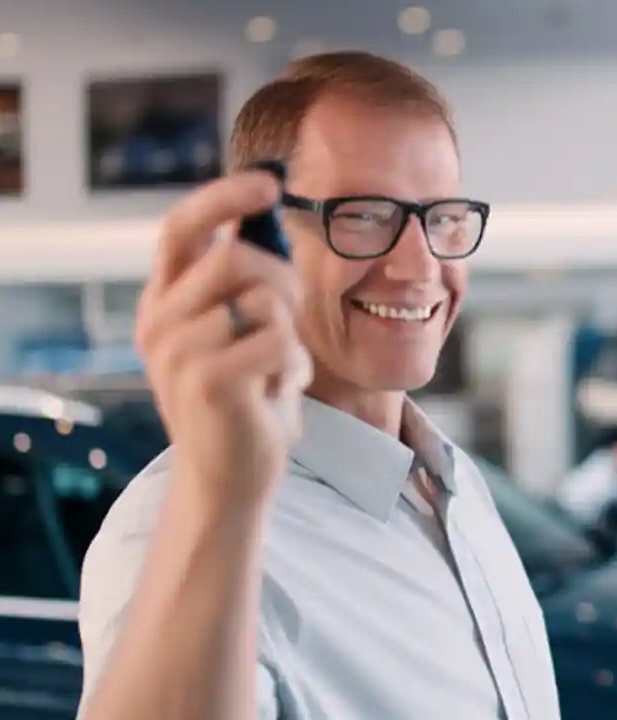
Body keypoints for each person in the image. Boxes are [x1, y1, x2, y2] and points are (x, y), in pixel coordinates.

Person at [75, 51, 560, 720]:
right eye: (363, 214)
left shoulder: (455, 484)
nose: (418, 266)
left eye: (442, 217)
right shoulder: (176, 530)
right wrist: (223, 501)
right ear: (259, 238)